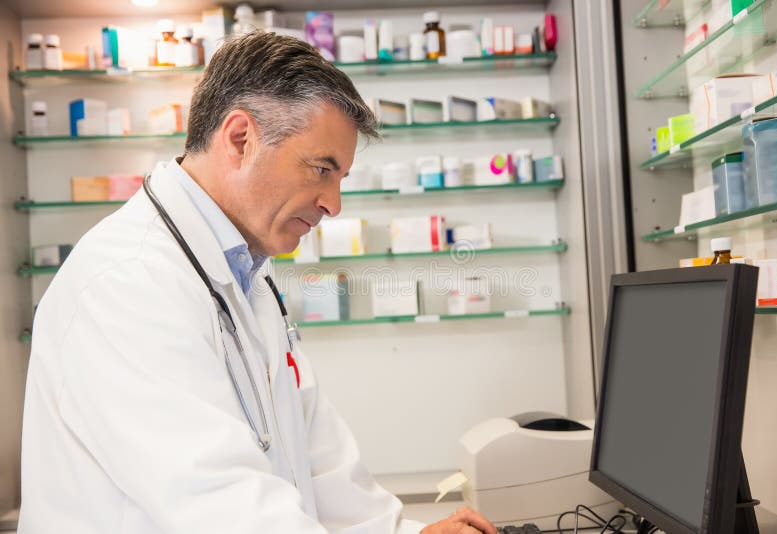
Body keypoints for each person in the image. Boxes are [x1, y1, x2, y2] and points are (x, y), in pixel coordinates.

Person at [18, 32, 497, 534]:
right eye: (320, 169)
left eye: (341, 179)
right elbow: (223, 506)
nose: (334, 203)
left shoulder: (246, 271)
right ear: (240, 138)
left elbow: (316, 457)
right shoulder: (128, 282)